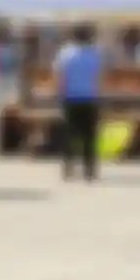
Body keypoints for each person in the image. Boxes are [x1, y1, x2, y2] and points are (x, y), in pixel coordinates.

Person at [55, 23, 103, 182]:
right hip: (89, 97)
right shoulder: (94, 54)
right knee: (89, 135)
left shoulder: (65, 54)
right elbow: (98, 76)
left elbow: (60, 76)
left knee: (70, 134)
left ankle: (68, 168)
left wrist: (60, 94)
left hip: (70, 98)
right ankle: (89, 170)